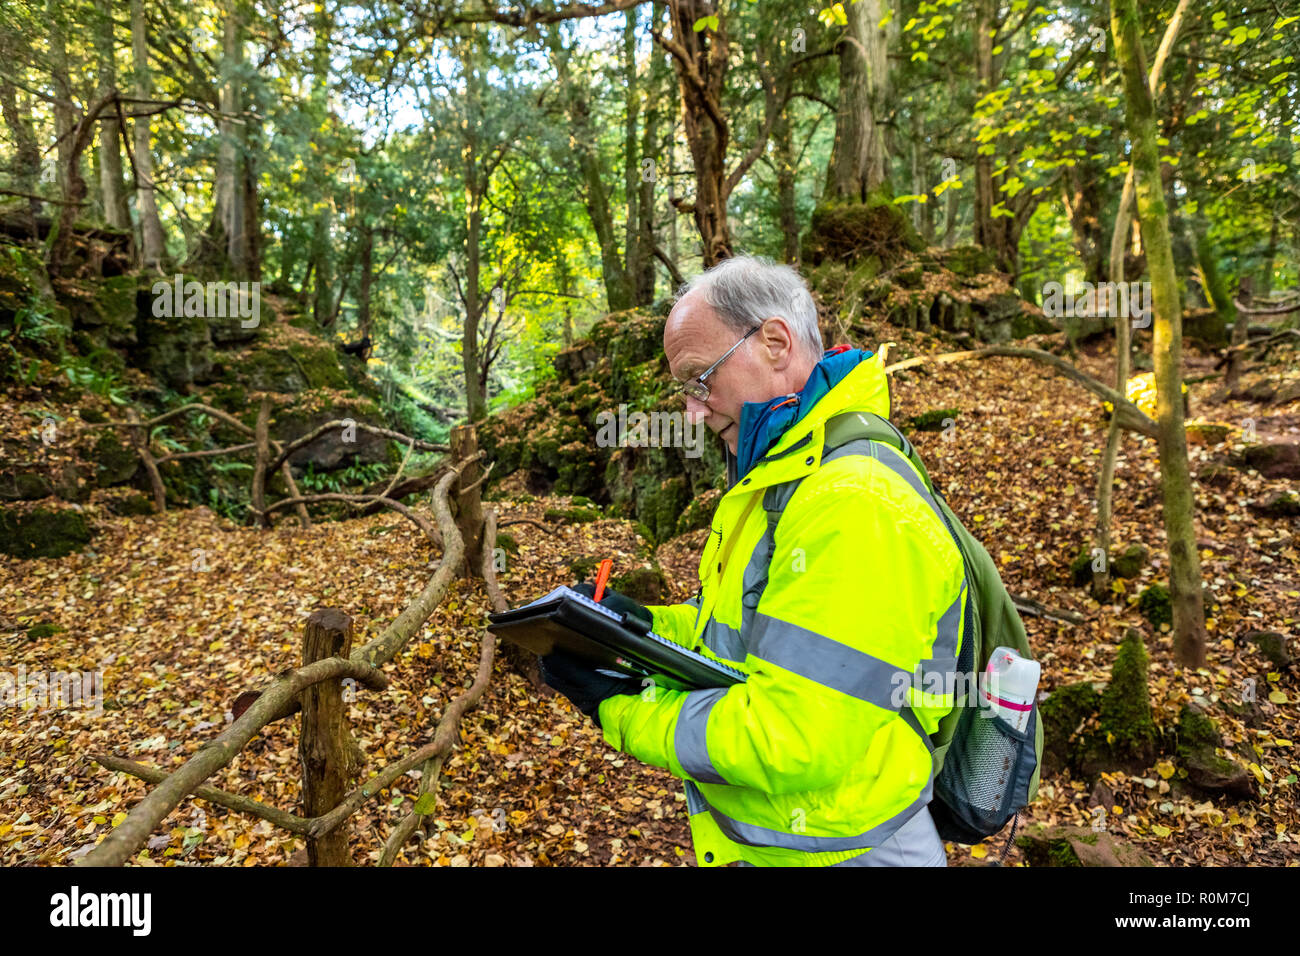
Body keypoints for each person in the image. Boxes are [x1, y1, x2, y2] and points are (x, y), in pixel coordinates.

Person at [540, 255, 966, 866]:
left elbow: (792, 735)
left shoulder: (854, 503)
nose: (693, 410)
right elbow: (742, 634)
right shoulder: (783, 482)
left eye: (699, 379)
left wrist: (619, 709)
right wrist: (638, 627)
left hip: (850, 850)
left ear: (774, 342)